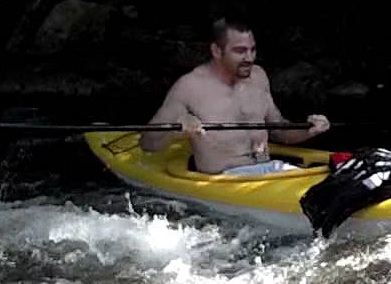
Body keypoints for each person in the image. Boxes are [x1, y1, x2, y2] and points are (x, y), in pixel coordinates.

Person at [140, 17, 330, 175]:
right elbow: (148, 143)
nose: (249, 58)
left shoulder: (258, 76)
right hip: (224, 180)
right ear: (216, 51)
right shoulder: (189, 86)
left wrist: (309, 130)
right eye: (240, 51)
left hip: (268, 173)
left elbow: (279, 129)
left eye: (252, 50)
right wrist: (176, 131)